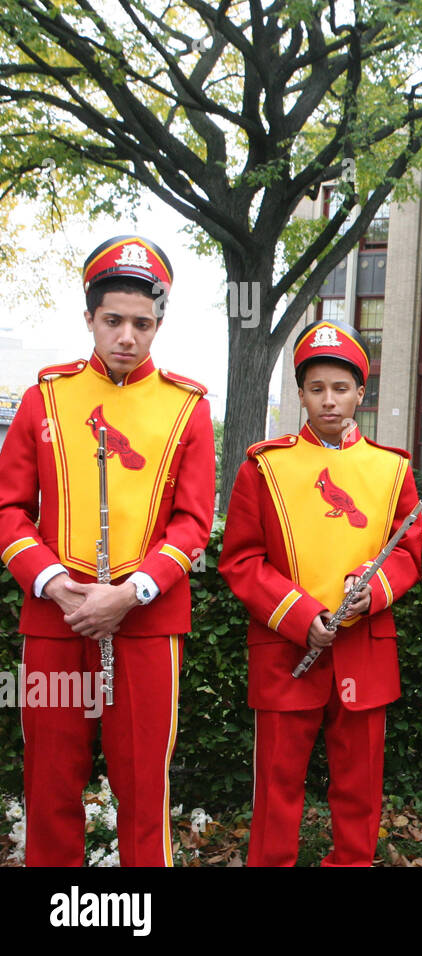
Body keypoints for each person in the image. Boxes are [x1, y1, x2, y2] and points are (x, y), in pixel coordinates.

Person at [0, 234, 215, 866]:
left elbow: (193, 523)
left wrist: (130, 592)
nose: (127, 336)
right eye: (113, 320)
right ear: (88, 318)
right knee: (49, 786)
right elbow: (9, 510)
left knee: (144, 788)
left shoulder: (189, 407)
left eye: (142, 323)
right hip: (56, 619)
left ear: (160, 324)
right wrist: (56, 585)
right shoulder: (45, 397)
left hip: (146, 623)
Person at [219, 319, 422, 866]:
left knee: (360, 791)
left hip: (366, 648)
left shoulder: (392, 468)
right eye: (316, 388)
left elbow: (409, 552)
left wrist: (372, 589)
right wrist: (299, 614)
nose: (329, 401)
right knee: (276, 792)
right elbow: (240, 559)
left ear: (361, 391)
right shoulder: (264, 466)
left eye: (340, 388)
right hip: (286, 650)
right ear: (301, 393)